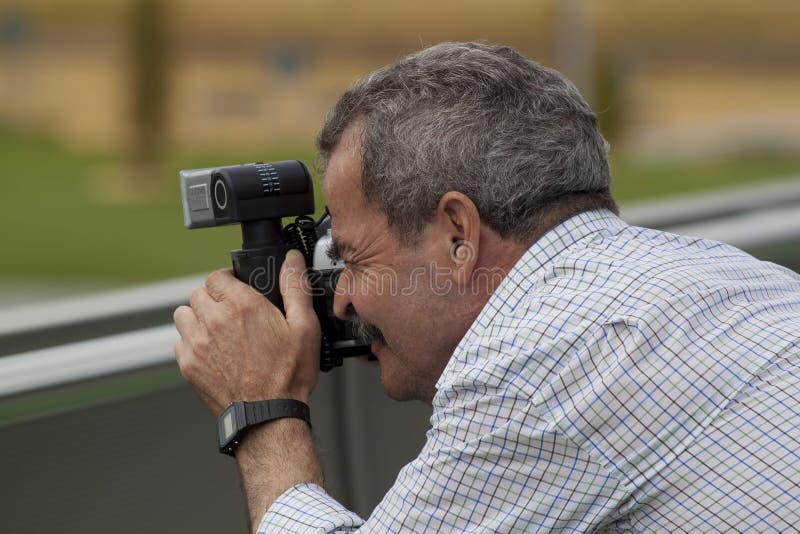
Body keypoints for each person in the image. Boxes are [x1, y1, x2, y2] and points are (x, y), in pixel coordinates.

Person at [173, 42, 800, 532]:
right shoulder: (731, 274)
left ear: (457, 234)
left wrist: (263, 409)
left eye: (353, 257)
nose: (341, 299)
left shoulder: (531, 361)